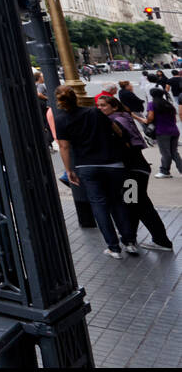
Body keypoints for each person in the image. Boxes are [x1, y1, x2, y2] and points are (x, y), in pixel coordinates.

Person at [53, 85, 137, 258]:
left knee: (99, 204)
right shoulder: (93, 112)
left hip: (86, 165)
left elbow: (64, 146)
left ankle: (113, 247)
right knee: (118, 202)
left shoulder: (61, 119)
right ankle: (129, 242)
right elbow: (116, 129)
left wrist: (69, 170)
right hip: (112, 162)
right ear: (76, 97)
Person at [96, 93, 172, 251]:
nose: (100, 108)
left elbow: (123, 145)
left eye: (103, 105)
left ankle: (160, 240)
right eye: (98, 105)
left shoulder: (115, 122)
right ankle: (132, 238)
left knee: (139, 205)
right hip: (139, 169)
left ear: (114, 106)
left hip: (132, 172)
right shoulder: (124, 117)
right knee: (135, 204)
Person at [147, 87, 181, 178]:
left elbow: (150, 118)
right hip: (174, 130)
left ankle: (165, 171)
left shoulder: (152, 104)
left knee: (165, 153)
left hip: (162, 131)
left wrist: (141, 119)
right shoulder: (169, 104)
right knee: (174, 152)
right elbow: (174, 118)